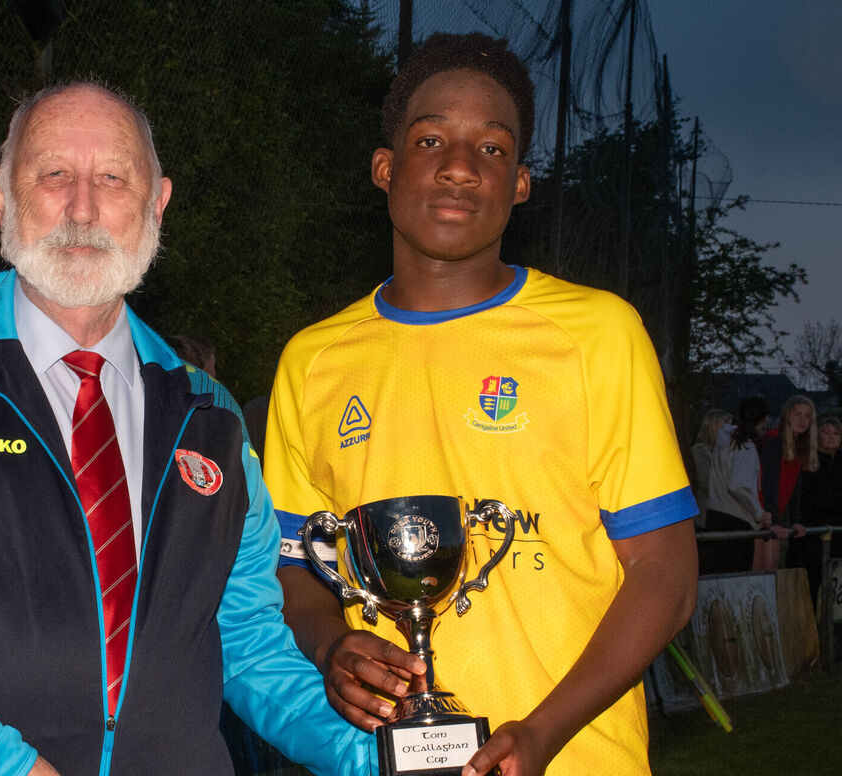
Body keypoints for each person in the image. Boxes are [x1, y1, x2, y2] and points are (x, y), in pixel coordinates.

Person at [0, 81, 375, 776]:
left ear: (156, 205)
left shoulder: (211, 417)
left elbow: (245, 641)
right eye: (54, 174)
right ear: (4, 196)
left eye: (114, 178)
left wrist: (377, 758)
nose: (83, 207)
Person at [265, 33, 698, 776]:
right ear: (385, 167)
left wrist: (544, 731)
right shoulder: (312, 360)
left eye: (492, 149)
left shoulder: (596, 333)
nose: (460, 167)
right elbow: (293, 566)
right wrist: (329, 645)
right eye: (431, 138)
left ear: (522, 184)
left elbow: (665, 570)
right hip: (374, 762)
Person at [702, 396, 770, 574]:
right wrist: (759, 512)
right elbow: (737, 486)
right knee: (735, 580)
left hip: (714, 516)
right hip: (736, 521)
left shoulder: (724, 441)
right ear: (764, 420)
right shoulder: (745, 447)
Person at [755, 395, 817, 570]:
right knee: (764, 567)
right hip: (762, 515)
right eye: (798, 414)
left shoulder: (799, 446)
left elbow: (794, 487)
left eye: (807, 416)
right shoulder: (774, 440)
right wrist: (772, 519)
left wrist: (795, 520)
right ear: (787, 415)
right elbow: (769, 482)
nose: (802, 420)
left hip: (775, 515)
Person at [789, 415, 841, 604]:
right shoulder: (807, 462)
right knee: (810, 585)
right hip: (811, 534)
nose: (831, 437)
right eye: (826, 432)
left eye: (836, 433)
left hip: (837, 534)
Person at [691, 409, 731, 529]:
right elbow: (706, 482)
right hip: (705, 519)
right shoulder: (699, 452)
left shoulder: (726, 453)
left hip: (722, 517)